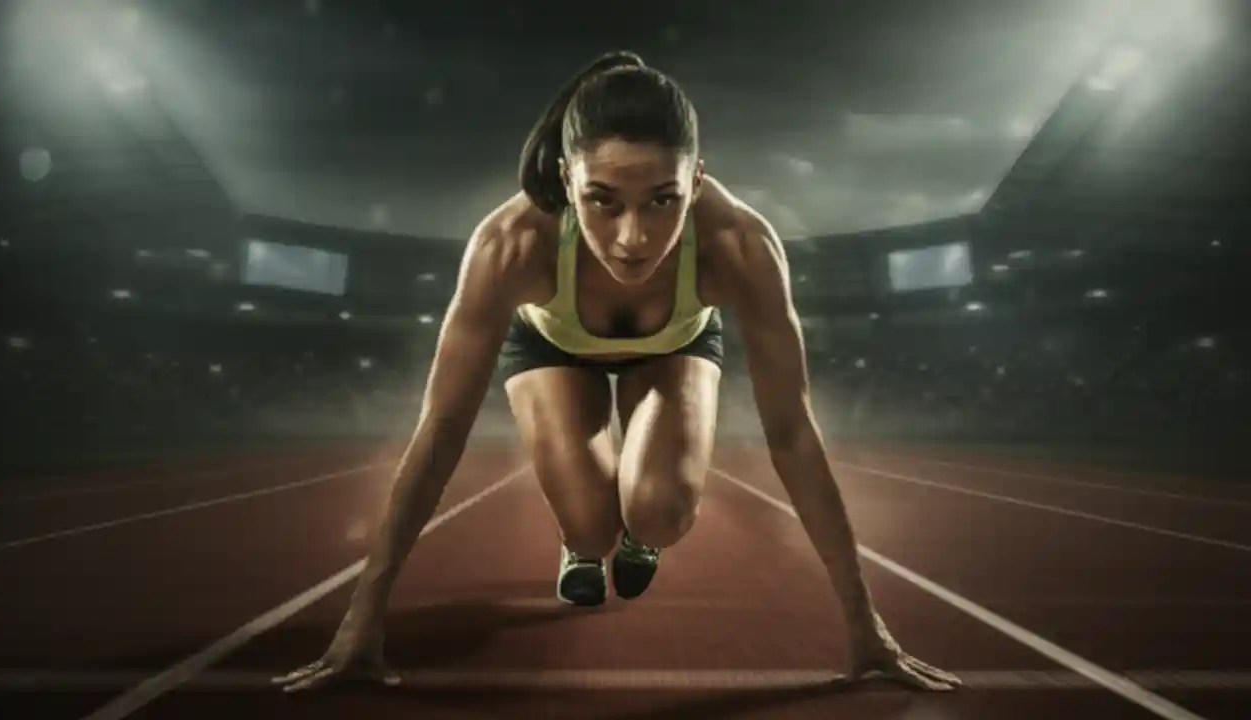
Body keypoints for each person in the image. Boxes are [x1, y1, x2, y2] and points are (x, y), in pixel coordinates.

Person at [273, 50, 962, 694]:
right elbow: (443, 427)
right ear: (567, 181)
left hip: (675, 347)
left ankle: (640, 533)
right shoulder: (509, 244)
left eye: (663, 199)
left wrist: (864, 623)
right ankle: (586, 543)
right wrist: (362, 617)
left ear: (696, 180)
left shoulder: (740, 245)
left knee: (657, 511)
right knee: (590, 530)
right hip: (552, 348)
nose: (633, 238)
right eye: (603, 199)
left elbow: (792, 433)